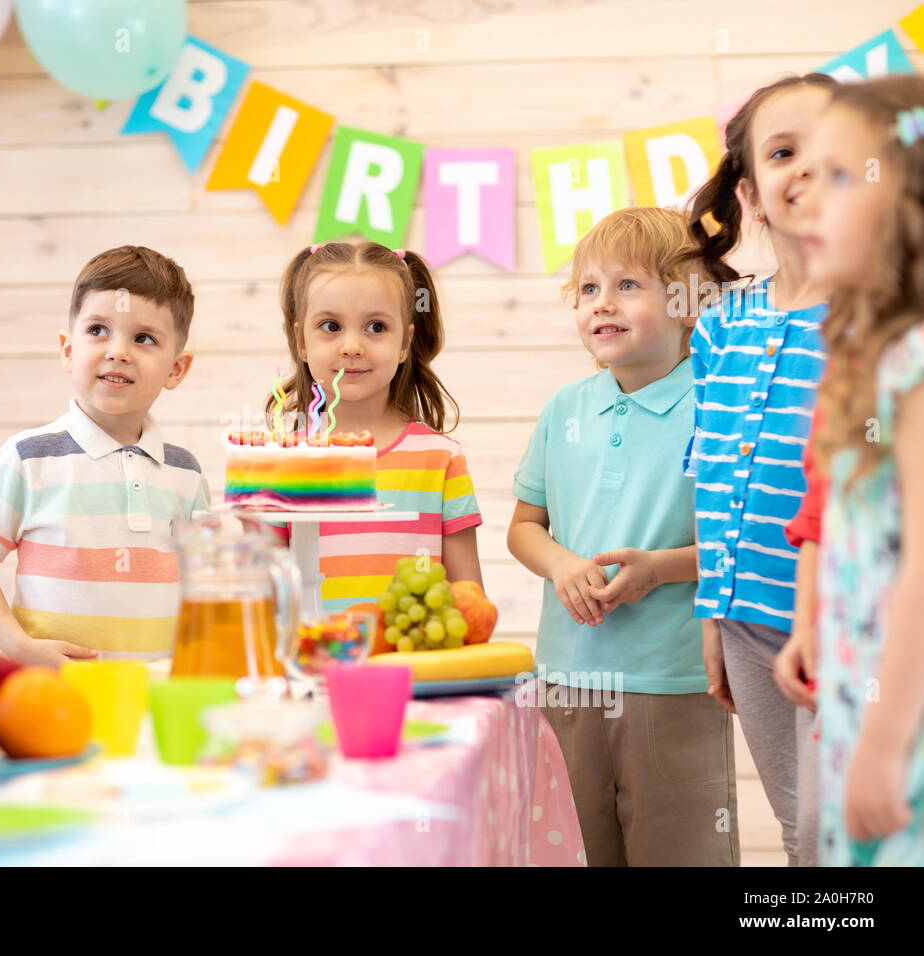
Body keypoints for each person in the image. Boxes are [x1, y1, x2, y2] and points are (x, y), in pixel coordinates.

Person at [508, 206, 735, 866]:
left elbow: (747, 540)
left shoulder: (719, 402)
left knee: (683, 851)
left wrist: (659, 569)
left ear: (689, 304)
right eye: (587, 288)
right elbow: (526, 527)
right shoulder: (565, 409)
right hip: (565, 683)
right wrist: (559, 565)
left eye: (628, 286)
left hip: (675, 684)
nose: (601, 304)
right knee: (574, 853)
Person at [684, 73, 836, 866]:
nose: (808, 169)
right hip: (745, 615)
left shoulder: (875, 318)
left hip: (846, 619)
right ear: (751, 192)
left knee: (828, 823)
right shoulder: (722, 327)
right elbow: (709, 478)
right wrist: (712, 613)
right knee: (796, 826)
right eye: (784, 152)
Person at [0, 246, 208, 663]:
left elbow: (203, 584)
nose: (118, 351)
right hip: (53, 696)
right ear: (68, 349)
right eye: (97, 330)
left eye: (144, 338)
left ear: (176, 369)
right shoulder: (28, 458)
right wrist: (20, 647)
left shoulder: (187, 474)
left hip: (155, 696)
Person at [802, 73, 924, 866]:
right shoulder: (869, 355)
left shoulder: (914, 363)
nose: (808, 197)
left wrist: (884, 744)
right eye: (808, 173)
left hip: (903, 728)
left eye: (842, 177)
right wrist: (815, 627)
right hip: (862, 699)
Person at [266, 242, 482, 619]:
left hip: (414, 673)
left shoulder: (441, 459)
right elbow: (262, 596)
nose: (352, 346)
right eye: (331, 327)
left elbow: (469, 602)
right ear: (301, 342)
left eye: (376, 327)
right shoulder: (280, 462)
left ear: (404, 343)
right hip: (312, 671)